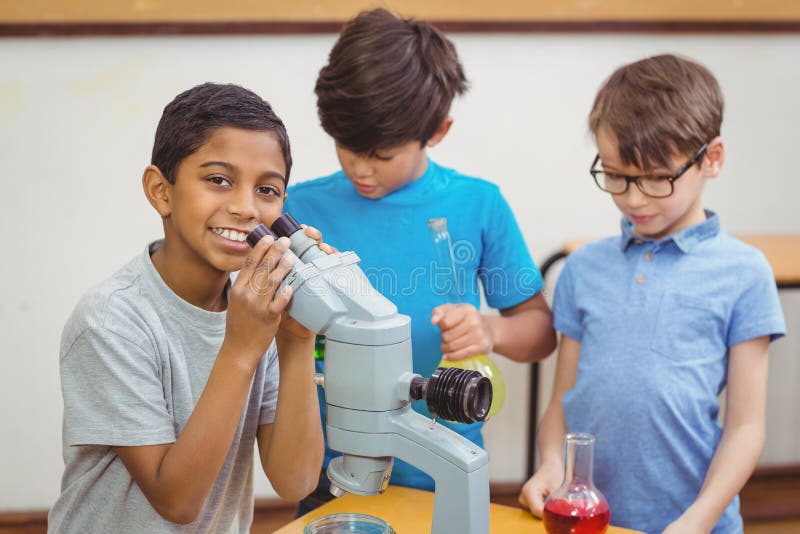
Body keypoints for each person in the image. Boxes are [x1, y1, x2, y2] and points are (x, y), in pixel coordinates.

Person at [285, 8, 557, 513]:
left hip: (446, 466)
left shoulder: (479, 205)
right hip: (330, 473)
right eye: (346, 147)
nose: (361, 169)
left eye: (383, 154)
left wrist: (490, 331)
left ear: (439, 129)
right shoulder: (297, 211)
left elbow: (540, 331)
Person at [518, 54, 786, 533]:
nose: (634, 198)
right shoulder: (584, 268)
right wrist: (551, 466)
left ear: (712, 158)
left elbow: (747, 427)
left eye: (657, 178)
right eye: (617, 175)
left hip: (695, 523)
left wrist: (697, 521)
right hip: (590, 520)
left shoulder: (745, 273)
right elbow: (564, 401)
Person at [48, 83, 325, 533]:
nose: (244, 207)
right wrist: (240, 350)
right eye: (219, 180)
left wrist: (296, 339)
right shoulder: (110, 321)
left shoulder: (258, 310)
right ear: (161, 191)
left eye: (267, 189)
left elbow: (294, 482)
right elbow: (176, 501)